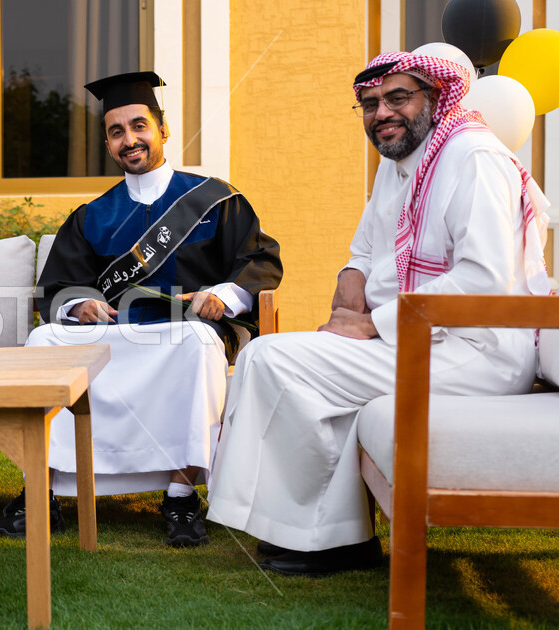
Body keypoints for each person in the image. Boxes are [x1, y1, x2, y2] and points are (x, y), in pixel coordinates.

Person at [207, 52, 551, 576]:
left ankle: (331, 539)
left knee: (272, 359)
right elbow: (365, 247)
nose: (381, 113)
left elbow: (484, 279)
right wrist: (351, 279)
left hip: (476, 351)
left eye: (397, 98)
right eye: (369, 103)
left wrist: (372, 324)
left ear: (435, 99)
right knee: (279, 359)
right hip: (414, 339)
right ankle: (328, 533)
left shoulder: (472, 159)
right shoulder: (398, 162)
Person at [0, 71, 282, 546]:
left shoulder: (214, 200)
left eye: (139, 126)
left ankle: (181, 495)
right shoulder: (91, 217)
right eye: (117, 131)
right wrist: (80, 303)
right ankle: (43, 489)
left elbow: (259, 260)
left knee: (195, 342)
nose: (130, 139)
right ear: (108, 144)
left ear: (163, 130)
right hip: (117, 334)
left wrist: (223, 296)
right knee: (45, 340)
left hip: (187, 332)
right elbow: (57, 287)